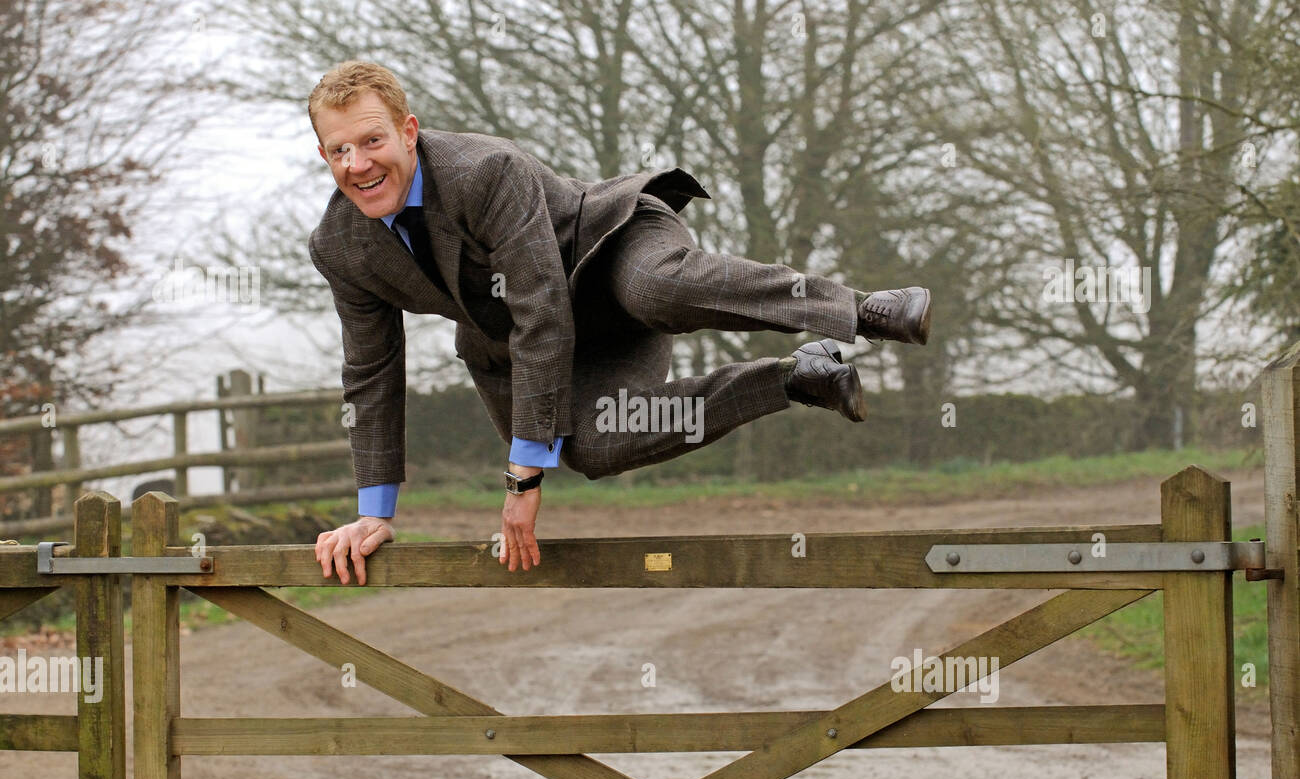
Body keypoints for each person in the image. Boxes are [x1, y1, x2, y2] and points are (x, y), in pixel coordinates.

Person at [308, 61, 931, 584]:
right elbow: (371, 373)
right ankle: (798, 378)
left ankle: (862, 309)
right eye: (339, 151)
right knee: (598, 445)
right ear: (323, 155)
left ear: (408, 131)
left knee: (654, 287)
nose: (358, 164)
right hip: (537, 340)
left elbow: (539, 308)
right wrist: (375, 511)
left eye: (372, 141)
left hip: (607, 250)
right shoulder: (339, 247)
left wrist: (522, 480)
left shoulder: (485, 171)